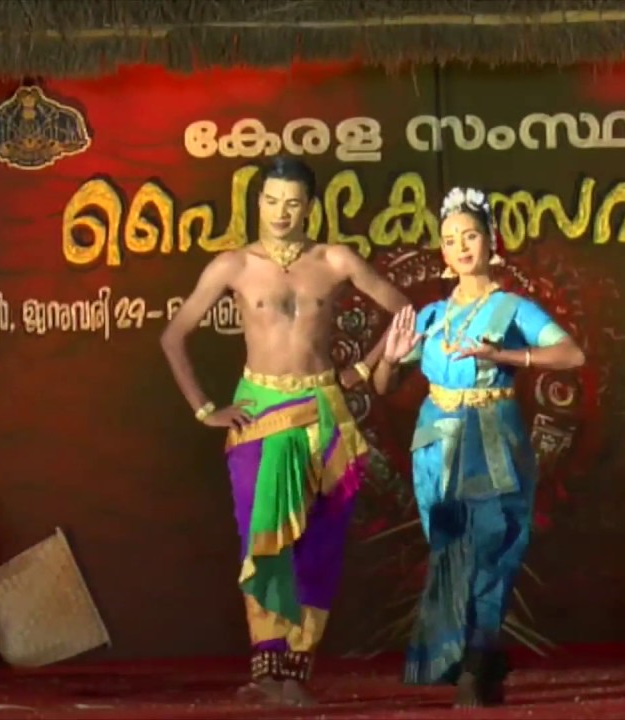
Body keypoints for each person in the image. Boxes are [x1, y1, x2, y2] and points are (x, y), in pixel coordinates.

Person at [160, 156, 409, 706]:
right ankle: (266, 666)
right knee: (262, 540)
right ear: (257, 203)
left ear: (309, 207)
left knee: (318, 542)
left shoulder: (335, 259)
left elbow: (402, 310)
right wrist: (206, 409)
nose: (280, 212)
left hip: (324, 414)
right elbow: (174, 336)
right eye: (270, 201)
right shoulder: (233, 266)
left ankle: (298, 668)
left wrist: (366, 370)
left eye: (292, 203)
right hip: (258, 416)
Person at [370, 186, 585, 707]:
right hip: (437, 446)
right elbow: (381, 387)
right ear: (442, 252)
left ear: (492, 241)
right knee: (451, 551)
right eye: (450, 240)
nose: (461, 247)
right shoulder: (428, 317)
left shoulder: (512, 308)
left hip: (493, 437)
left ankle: (478, 658)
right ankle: (465, 657)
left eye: (470, 235)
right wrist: (390, 360)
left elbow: (572, 354)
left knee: (491, 548)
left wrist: (509, 355)